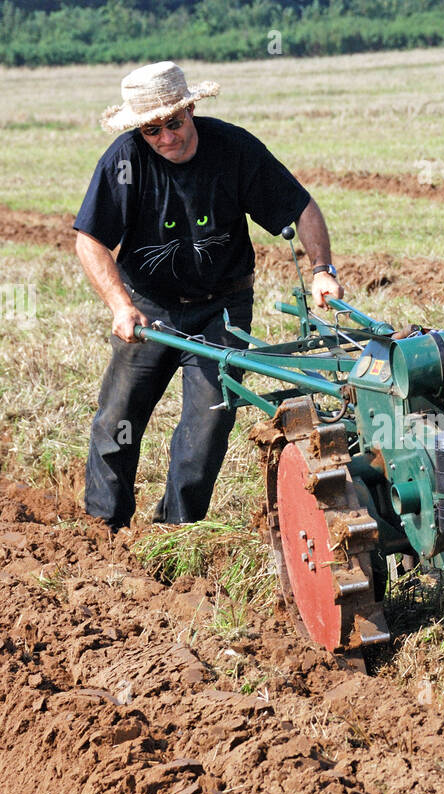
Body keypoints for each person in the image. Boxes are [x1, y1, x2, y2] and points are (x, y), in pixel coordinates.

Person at [74, 61, 342, 530]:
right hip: (150, 310)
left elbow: (300, 206)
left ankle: (176, 529)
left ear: (191, 109)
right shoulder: (125, 161)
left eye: (173, 123)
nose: (166, 137)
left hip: (222, 307)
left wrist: (321, 269)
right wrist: (121, 305)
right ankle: (104, 528)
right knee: (119, 420)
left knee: (209, 426)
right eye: (151, 129)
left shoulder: (233, 149)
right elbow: (90, 240)